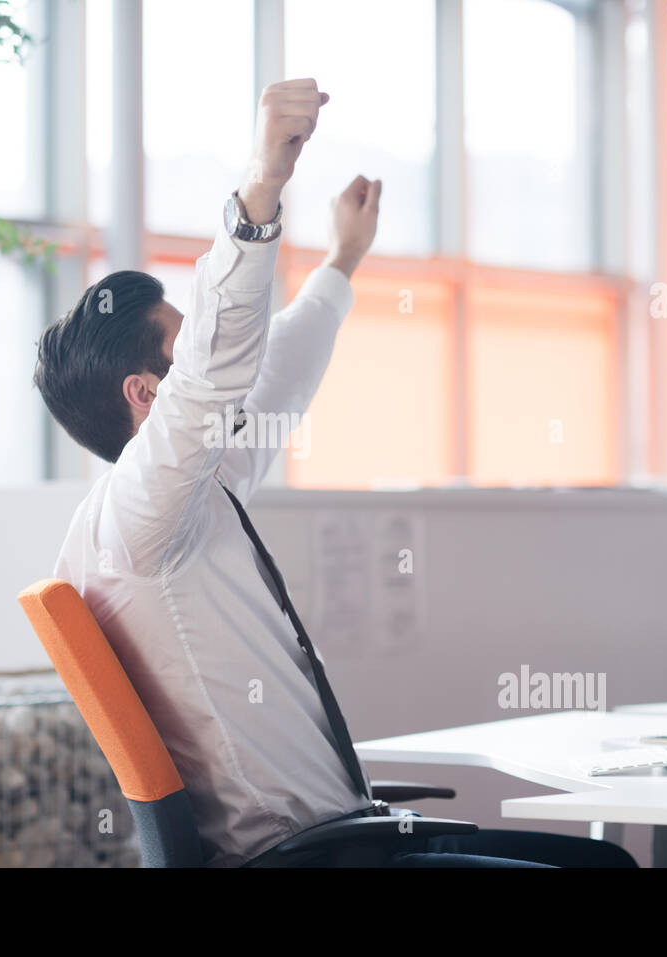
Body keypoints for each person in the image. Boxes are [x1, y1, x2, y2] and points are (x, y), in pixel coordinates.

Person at [34, 78, 634, 868]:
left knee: (602, 862)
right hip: (307, 858)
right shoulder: (136, 521)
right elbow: (219, 367)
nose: (202, 364)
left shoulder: (183, 501)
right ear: (147, 395)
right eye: (179, 354)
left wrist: (344, 258)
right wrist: (261, 190)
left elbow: (270, 374)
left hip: (348, 837)